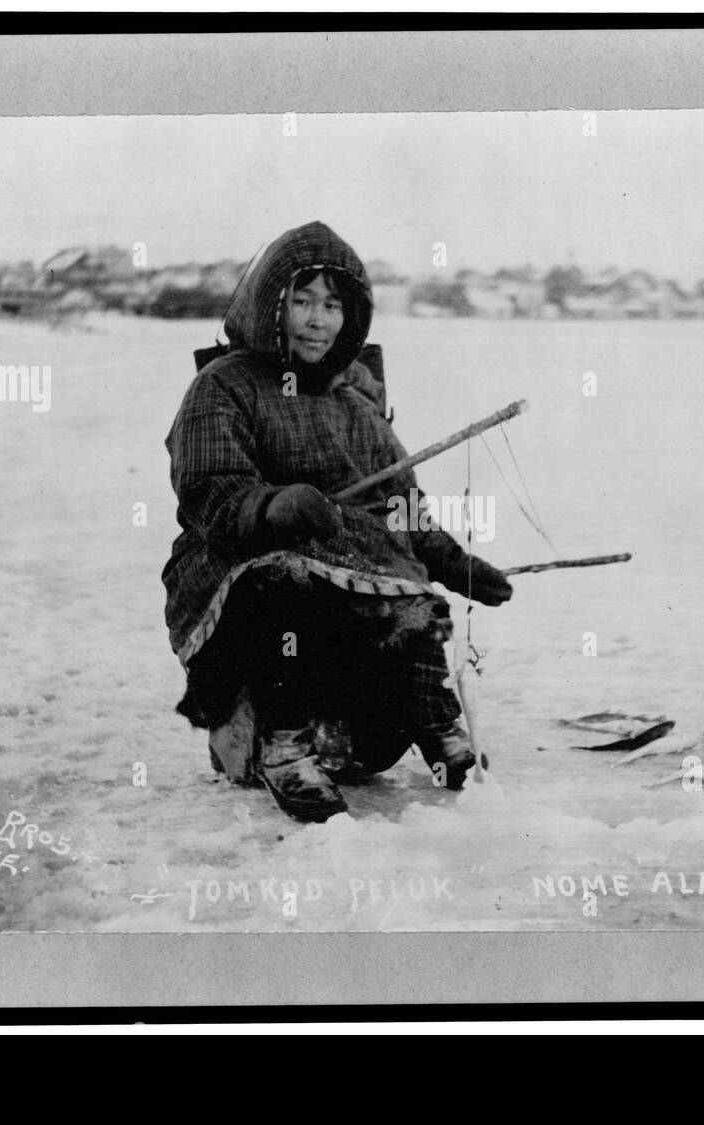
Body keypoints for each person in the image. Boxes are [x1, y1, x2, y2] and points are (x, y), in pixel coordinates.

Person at [162, 220, 512, 822]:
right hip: (242, 561)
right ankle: (285, 746)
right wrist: (274, 505)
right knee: (286, 585)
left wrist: (454, 563)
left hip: (353, 563)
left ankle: (433, 720)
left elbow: (403, 507)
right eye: (301, 301)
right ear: (269, 304)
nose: (317, 320)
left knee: (412, 601)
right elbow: (209, 489)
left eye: (332, 305)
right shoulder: (224, 386)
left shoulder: (357, 405)